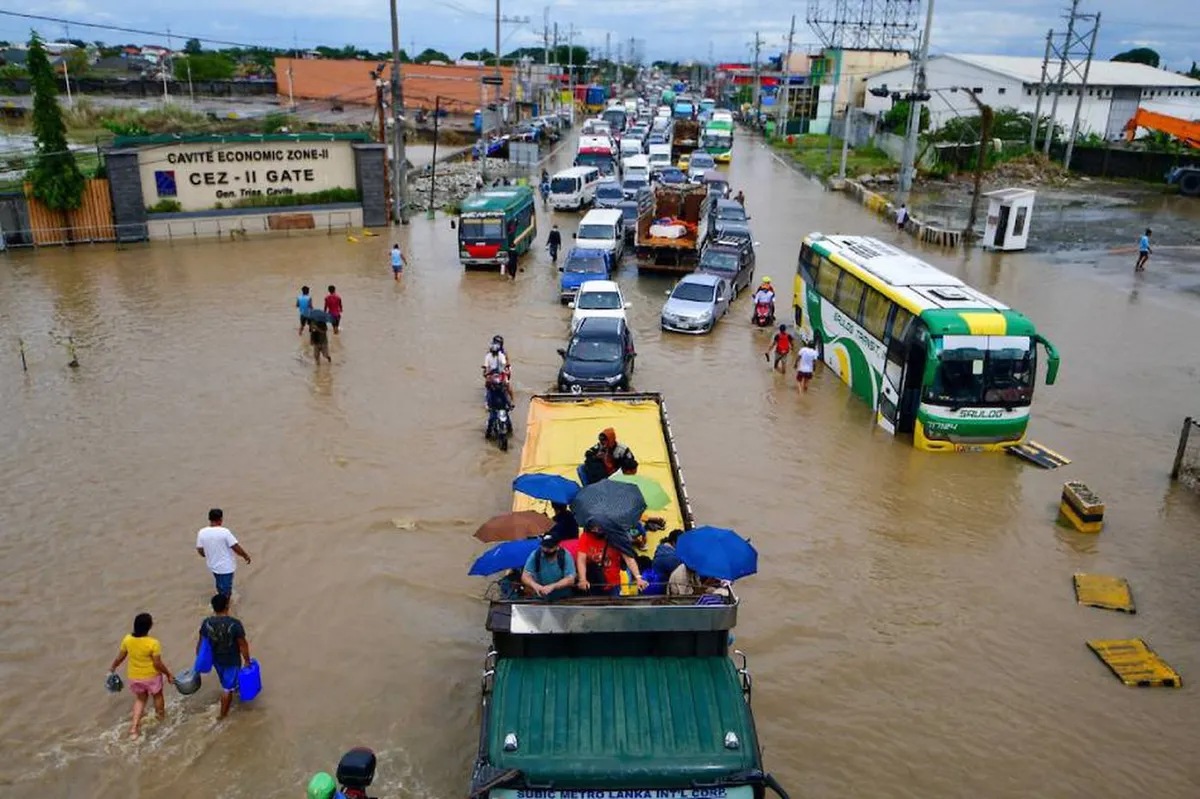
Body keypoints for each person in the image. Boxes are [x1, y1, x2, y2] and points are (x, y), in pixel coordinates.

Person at [109, 612, 175, 739]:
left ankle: (134, 728)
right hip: (152, 676)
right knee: (157, 696)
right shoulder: (153, 643)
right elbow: (157, 663)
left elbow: (120, 657)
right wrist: (168, 674)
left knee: (140, 699)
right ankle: (161, 719)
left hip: (135, 677)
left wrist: (113, 667)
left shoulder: (127, 639)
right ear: (149, 627)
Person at [197, 593, 250, 720]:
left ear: (213, 607)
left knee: (226, 681)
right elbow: (242, 644)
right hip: (232, 660)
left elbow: (201, 642)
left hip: (216, 660)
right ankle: (222, 716)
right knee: (227, 689)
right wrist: (247, 660)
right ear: (227, 606)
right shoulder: (235, 624)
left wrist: (199, 657)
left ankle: (231, 690)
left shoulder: (207, 623)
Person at [575, 524, 648, 596]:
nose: (596, 529)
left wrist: (638, 578)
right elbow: (581, 559)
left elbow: (629, 559)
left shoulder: (617, 537)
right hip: (592, 583)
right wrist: (582, 579)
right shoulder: (586, 536)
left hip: (613, 584)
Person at [196, 508, 252, 598]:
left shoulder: (202, 532)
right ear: (221, 519)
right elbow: (235, 547)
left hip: (213, 565)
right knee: (227, 591)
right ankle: (224, 608)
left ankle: (220, 599)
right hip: (226, 567)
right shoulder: (224, 532)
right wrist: (245, 556)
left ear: (209, 519)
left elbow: (200, 550)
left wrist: (208, 555)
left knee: (219, 584)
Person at [521, 533, 578, 600]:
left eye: (550, 547)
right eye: (544, 546)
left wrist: (553, 586)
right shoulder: (535, 555)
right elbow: (525, 576)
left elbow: (570, 579)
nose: (546, 549)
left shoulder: (565, 555)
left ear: (557, 546)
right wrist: (535, 585)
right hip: (541, 598)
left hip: (563, 598)